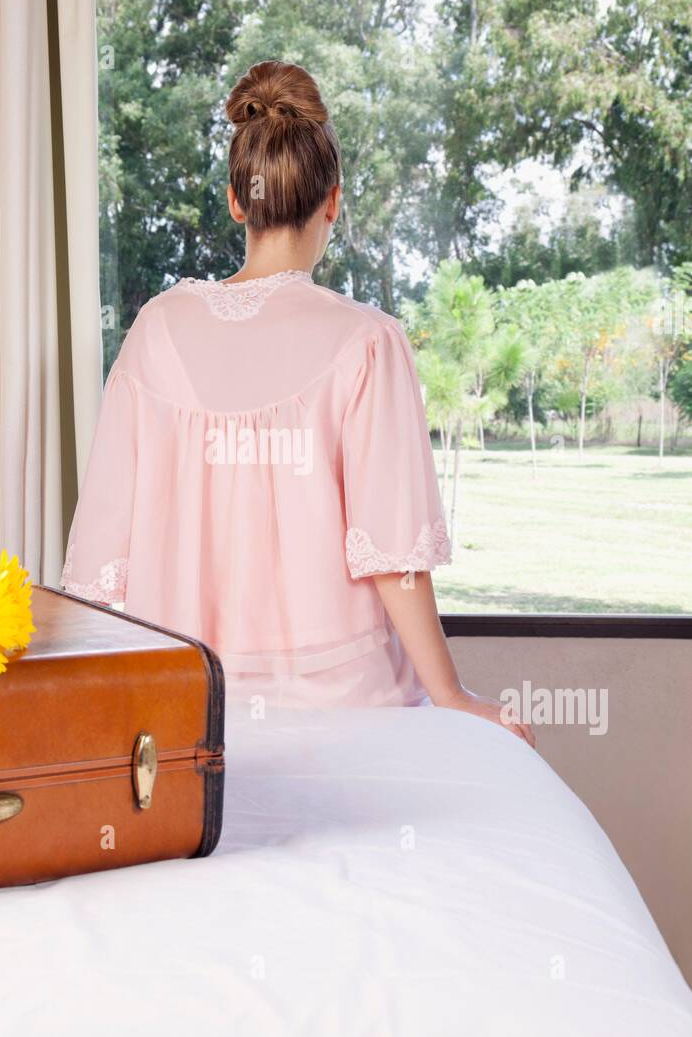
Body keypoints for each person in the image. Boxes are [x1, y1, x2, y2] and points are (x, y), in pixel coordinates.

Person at [61, 60, 533, 745]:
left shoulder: (157, 328)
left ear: (235, 200)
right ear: (333, 200)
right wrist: (452, 695)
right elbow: (391, 553)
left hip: (189, 710)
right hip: (346, 707)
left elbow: (100, 555)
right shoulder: (368, 341)